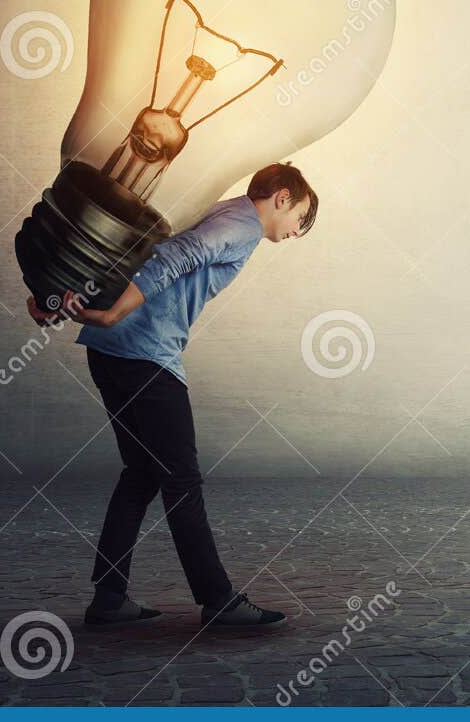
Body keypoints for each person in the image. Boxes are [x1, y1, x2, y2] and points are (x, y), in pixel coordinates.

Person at [26, 162, 318, 632]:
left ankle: (109, 597)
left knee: (141, 473)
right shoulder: (242, 225)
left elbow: (138, 250)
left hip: (111, 351)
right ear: (283, 197)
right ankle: (218, 601)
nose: (296, 232)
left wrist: (68, 300)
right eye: (300, 220)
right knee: (181, 481)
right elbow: (176, 255)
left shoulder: (224, 210)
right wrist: (116, 308)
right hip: (146, 357)